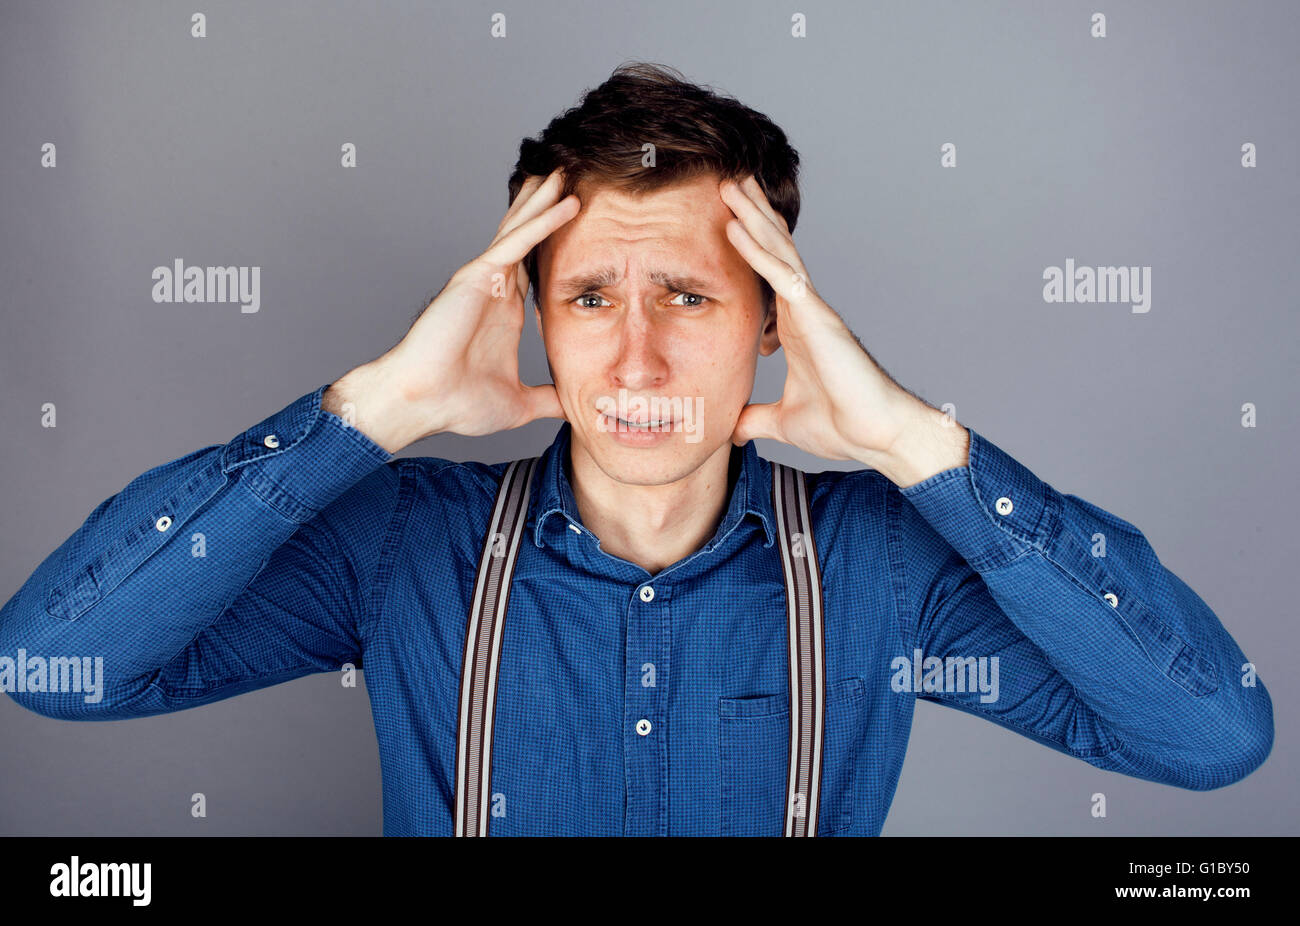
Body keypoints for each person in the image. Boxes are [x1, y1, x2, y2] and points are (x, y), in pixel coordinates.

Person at [0, 63, 1273, 836]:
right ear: (535, 318)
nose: (638, 362)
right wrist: (372, 407)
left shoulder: (883, 564)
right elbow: (55, 664)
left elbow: (1208, 736)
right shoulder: (405, 542)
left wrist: (917, 442)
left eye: (691, 296)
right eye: (592, 299)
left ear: (774, 323)